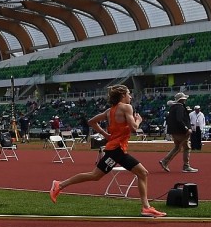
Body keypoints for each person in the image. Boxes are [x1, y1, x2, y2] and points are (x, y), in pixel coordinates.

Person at [49, 85, 167, 218]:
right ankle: (146, 207)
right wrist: (138, 120)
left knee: (95, 176)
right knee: (143, 173)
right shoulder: (126, 107)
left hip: (113, 149)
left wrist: (106, 136)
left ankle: (60, 184)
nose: (131, 96)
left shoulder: (109, 111)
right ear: (122, 95)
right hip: (117, 150)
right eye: (129, 94)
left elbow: (91, 122)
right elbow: (134, 128)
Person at [159, 92, 197, 173]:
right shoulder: (180, 107)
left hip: (174, 131)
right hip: (181, 131)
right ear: (182, 100)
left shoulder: (173, 107)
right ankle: (185, 166)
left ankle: (165, 161)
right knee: (186, 147)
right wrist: (186, 128)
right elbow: (179, 119)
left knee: (177, 147)